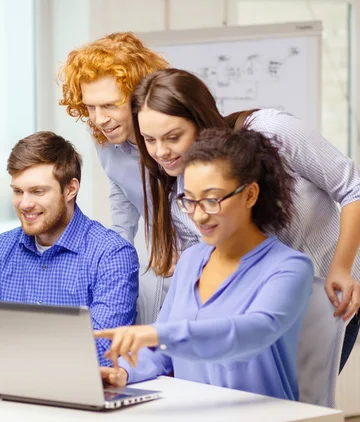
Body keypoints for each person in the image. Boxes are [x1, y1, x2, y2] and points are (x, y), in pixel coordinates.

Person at [130, 68, 360, 371]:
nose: (161, 152)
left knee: (304, 403)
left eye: (173, 137)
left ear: (200, 120)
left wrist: (341, 267)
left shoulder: (272, 131)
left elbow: (352, 188)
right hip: (262, 308)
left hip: (330, 294)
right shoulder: (182, 197)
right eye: (149, 139)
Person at [96, 128, 314, 401]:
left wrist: (155, 333)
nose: (198, 215)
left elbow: (250, 333)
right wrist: (124, 373)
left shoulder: (290, 268)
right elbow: (163, 352)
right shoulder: (191, 260)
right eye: (189, 200)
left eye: (211, 200)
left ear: (250, 195)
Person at [0, 131, 139, 376]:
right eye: (18, 191)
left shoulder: (111, 254)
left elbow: (103, 347)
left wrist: (2, 355)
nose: (24, 204)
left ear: (70, 190)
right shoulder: (1, 250)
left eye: (38, 192)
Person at [58, 32, 169, 324]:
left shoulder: (171, 140)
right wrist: (117, 253)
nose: (99, 119)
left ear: (140, 96)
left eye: (110, 105)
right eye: (90, 106)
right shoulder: (104, 136)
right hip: (162, 260)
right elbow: (120, 188)